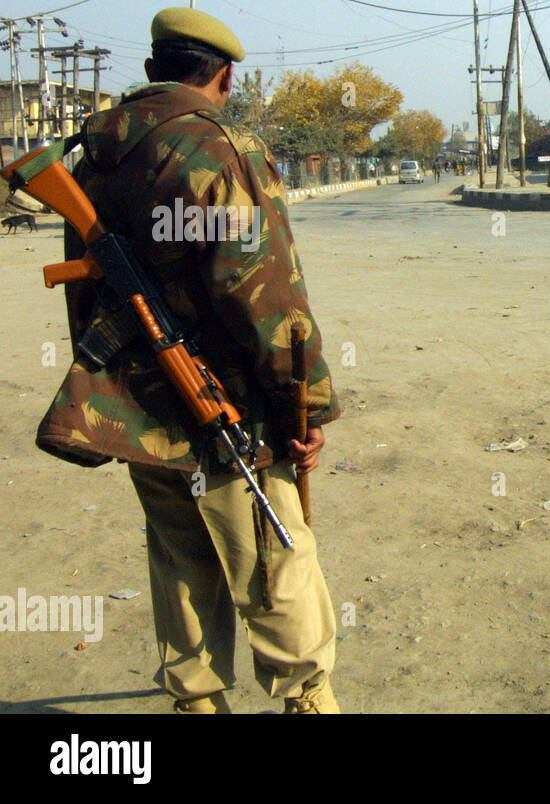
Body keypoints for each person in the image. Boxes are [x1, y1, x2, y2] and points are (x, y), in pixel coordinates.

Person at [44, 7, 342, 713]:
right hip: (228, 408)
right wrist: (306, 402)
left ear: (153, 70)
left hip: (141, 407)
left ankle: (197, 703)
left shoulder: (94, 156)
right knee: (275, 560)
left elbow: (83, 286)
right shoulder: (218, 150)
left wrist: (113, 384)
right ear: (227, 76)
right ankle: (307, 702)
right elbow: (267, 297)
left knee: (181, 563)